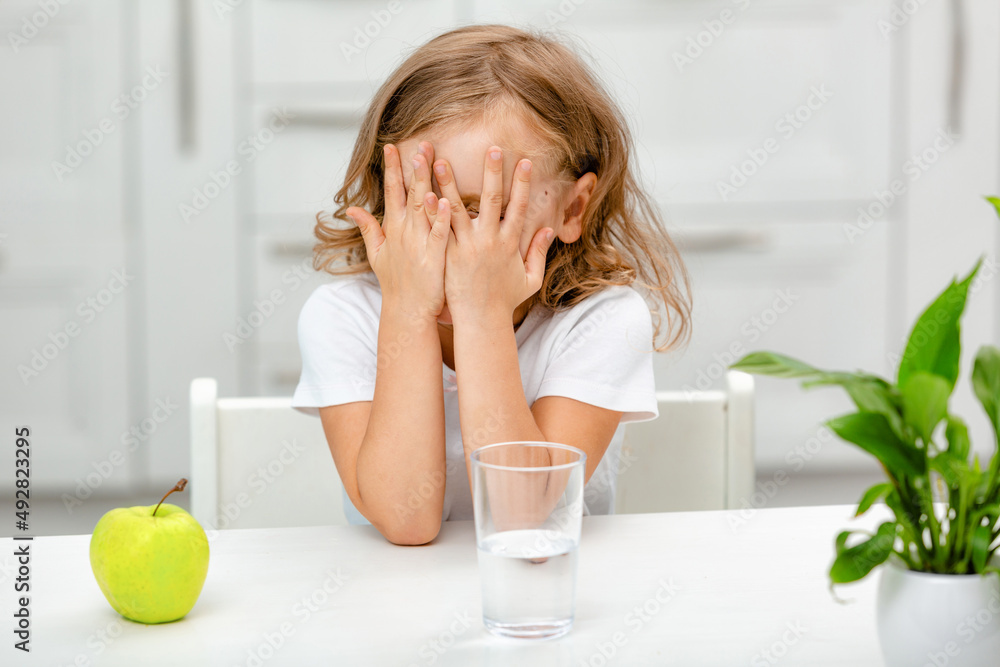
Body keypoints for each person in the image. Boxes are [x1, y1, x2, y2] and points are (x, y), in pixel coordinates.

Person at [291, 24, 690, 545]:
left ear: (573, 208)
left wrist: (482, 314)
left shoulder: (604, 320)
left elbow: (521, 520)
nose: (448, 234)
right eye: (421, 201)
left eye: (485, 210)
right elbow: (405, 521)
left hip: (539, 599)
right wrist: (409, 309)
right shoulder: (342, 317)